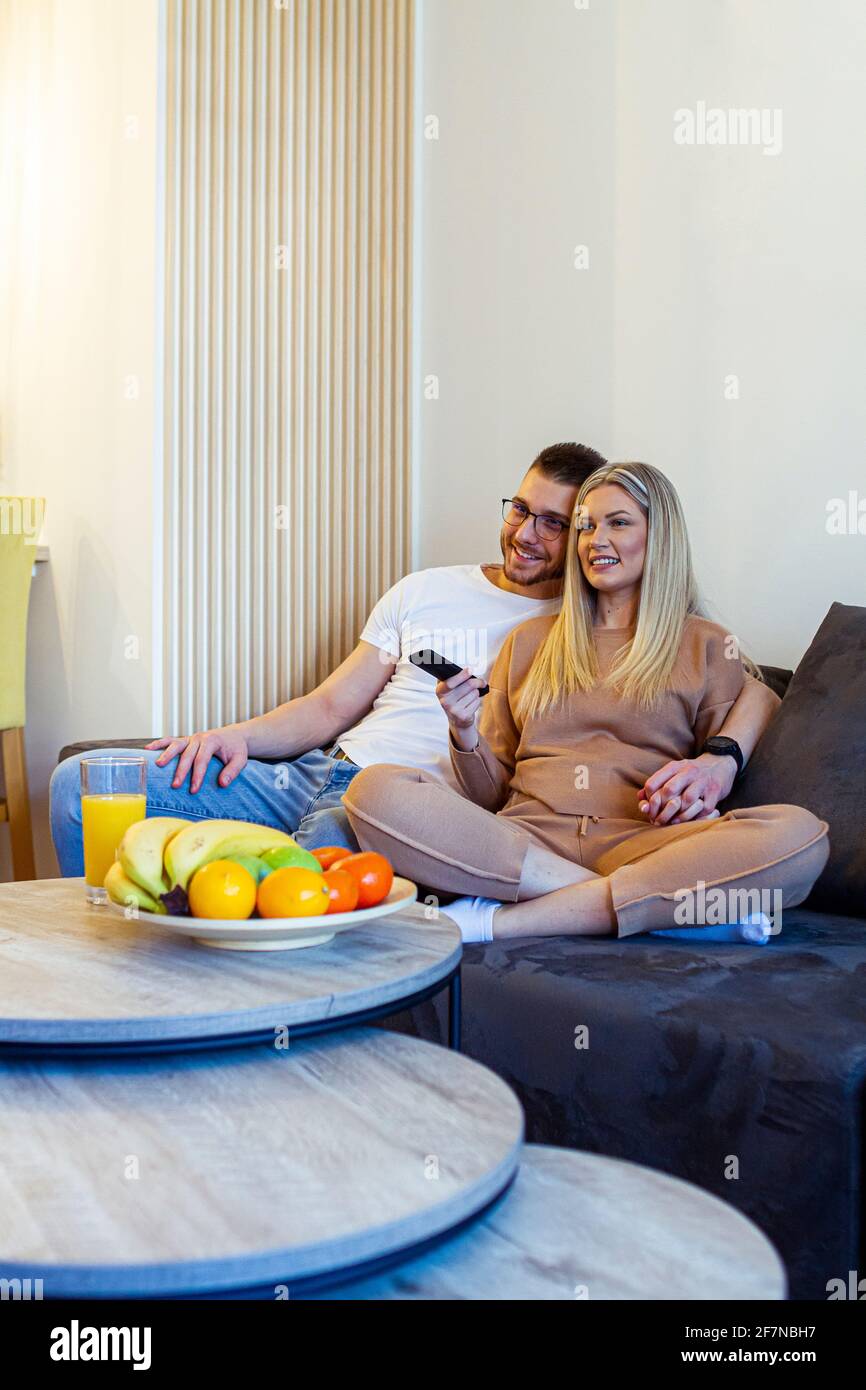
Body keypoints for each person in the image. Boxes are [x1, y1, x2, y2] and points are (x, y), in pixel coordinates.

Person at [49, 446, 780, 877]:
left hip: (407, 804)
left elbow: (749, 688)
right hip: (315, 771)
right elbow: (333, 706)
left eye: (559, 524)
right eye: (522, 509)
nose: (529, 534)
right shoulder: (427, 589)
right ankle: (120, 987)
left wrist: (719, 759)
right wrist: (234, 738)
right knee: (77, 786)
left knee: (317, 879)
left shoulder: (579, 635)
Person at [342, 463, 830, 941]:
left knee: (800, 837)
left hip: (643, 844)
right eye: (586, 526)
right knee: (374, 791)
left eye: (618, 523)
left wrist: (712, 766)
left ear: (660, 536)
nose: (596, 540)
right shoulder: (528, 642)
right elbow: (490, 798)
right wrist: (464, 730)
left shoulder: (705, 645)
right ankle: (649, 909)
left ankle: (495, 920)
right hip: (525, 844)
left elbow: (757, 699)